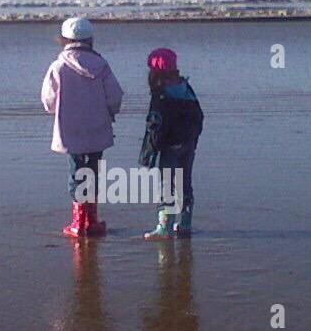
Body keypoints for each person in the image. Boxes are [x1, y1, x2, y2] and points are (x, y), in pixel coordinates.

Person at [41, 16, 124, 238]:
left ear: (63, 40)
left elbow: (48, 100)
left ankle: (79, 221)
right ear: (90, 40)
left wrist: (54, 109)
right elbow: (115, 96)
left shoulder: (58, 66)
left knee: (76, 170)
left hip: (70, 128)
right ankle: (92, 219)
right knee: (93, 170)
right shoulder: (102, 65)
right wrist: (110, 111)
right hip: (97, 126)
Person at [138, 47, 203, 238]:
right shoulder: (186, 89)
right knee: (185, 183)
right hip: (188, 144)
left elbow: (155, 126)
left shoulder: (161, 96)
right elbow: (199, 117)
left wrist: (149, 154)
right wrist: (193, 139)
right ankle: (185, 223)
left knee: (167, 185)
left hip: (169, 146)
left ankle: (165, 226)